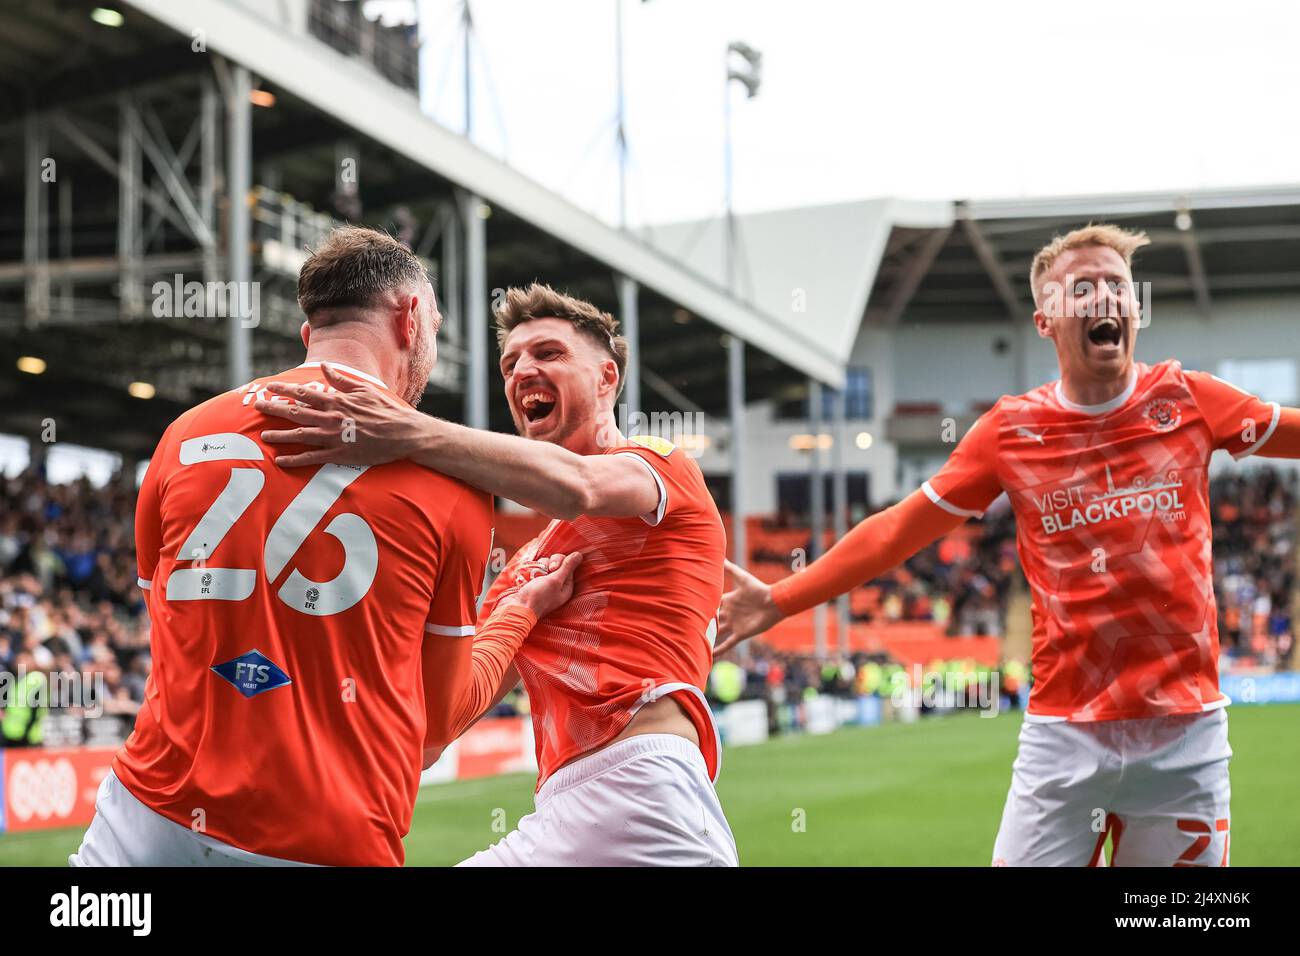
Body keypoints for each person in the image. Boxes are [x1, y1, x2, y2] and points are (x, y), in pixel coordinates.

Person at [718, 223, 1300, 866]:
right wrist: (780, 596)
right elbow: (895, 531)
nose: (1104, 296)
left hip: (1185, 738)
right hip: (1064, 737)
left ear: (1136, 308)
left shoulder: (1190, 399)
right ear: (1045, 320)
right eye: (1082, 287)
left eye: (1117, 285)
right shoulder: (1010, 431)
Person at [71, 227, 579, 867]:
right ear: (410, 317)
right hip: (326, 839)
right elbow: (431, 732)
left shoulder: (184, 434)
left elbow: (169, 633)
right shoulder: (454, 483)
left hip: (141, 821)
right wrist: (521, 612)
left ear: (309, 335)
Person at [255, 283, 737, 866]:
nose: (522, 371)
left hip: (643, 784)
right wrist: (524, 611)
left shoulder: (659, 467)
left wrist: (405, 432)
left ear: (608, 378)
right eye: (511, 363)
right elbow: (441, 726)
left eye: (549, 354)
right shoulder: (526, 570)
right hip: (567, 805)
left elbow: (577, 486)